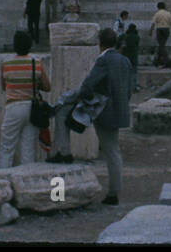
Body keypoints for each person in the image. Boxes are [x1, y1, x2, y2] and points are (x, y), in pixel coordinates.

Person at [48, 28, 132, 205]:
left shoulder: (103, 60)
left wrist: (85, 99)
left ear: (99, 43)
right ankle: (114, 191)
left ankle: (65, 152)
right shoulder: (125, 61)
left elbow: (88, 85)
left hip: (103, 109)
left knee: (63, 110)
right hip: (119, 109)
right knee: (112, 149)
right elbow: (130, 88)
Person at [0, 30, 51, 170]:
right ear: (30, 45)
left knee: (6, 148)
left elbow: (4, 86)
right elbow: (47, 86)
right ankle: (26, 181)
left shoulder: (6, 64)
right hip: (32, 108)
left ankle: (3, 180)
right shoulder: (36, 63)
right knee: (28, 150)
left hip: (13, 107)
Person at [150, 1, 171, 67]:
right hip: (166, 30)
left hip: (159, 30)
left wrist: (150, 31)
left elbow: (153, 23)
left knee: (162, 46)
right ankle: (157, 62)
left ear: (158, 7)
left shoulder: (157, 14)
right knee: (161, 45)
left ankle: (167, 62)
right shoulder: (168, 13)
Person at [121, 23, 141, 92]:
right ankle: (134, 87)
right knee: (134, 73)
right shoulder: (137, 37)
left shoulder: (124, 36)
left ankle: (125, 87)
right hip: (134, 57)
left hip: (125, 57)